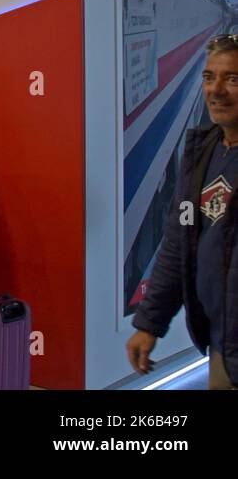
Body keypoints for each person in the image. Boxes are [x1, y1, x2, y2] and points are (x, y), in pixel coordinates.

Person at [128, 34, 238, 390]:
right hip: (223, 346)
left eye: (233, 79)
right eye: (209, 78)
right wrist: (150, 322)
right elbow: (179, 239)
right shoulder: (203, 154)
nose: (216, 90)